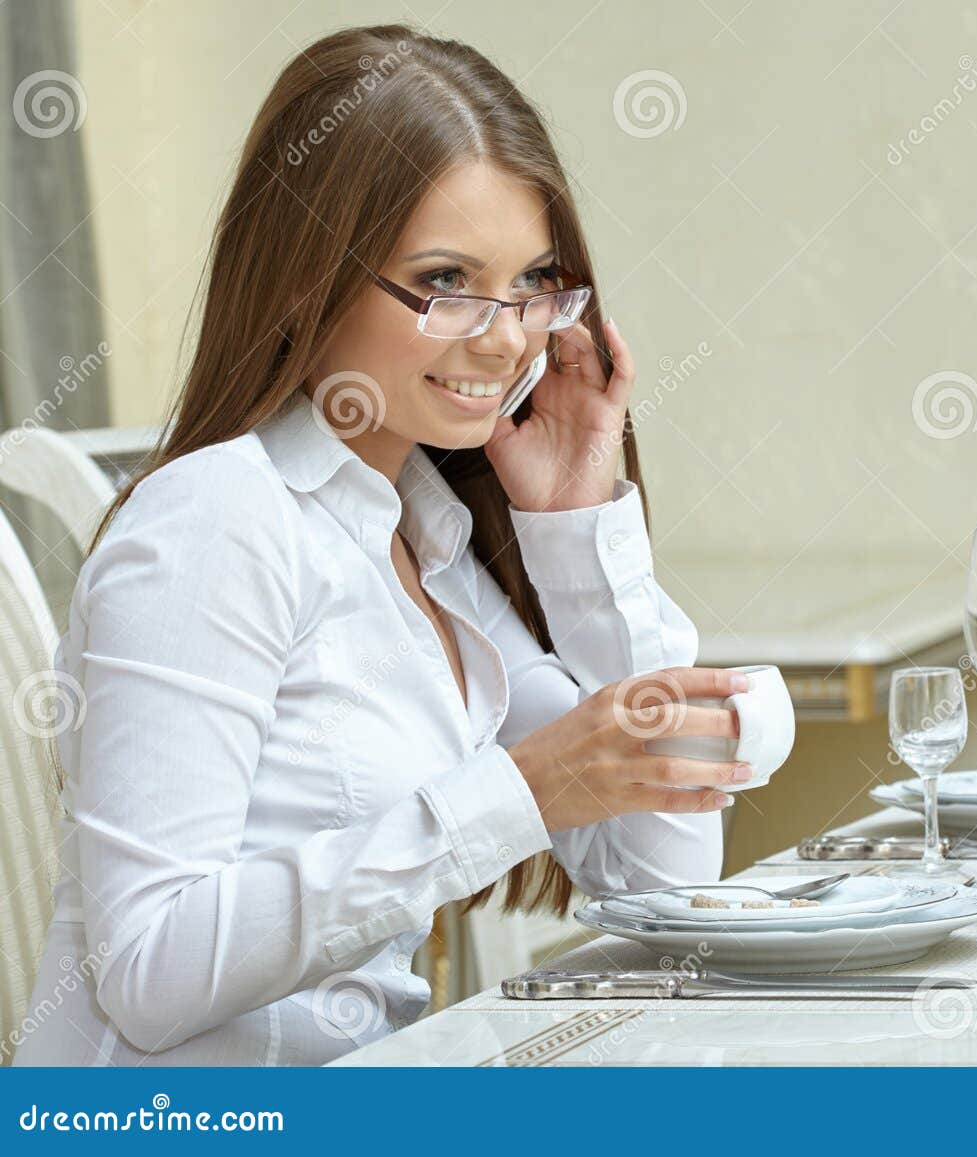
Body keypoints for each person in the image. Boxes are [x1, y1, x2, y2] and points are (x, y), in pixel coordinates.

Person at [15, 24, 744, 1066]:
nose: (502, 336)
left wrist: (579, 521)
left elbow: (662, 876)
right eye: (446, 279)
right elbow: (147, 973)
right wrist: (517, 791)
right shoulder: (217, 521)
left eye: (533, 281)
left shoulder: (420, 533)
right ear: (311, 274)